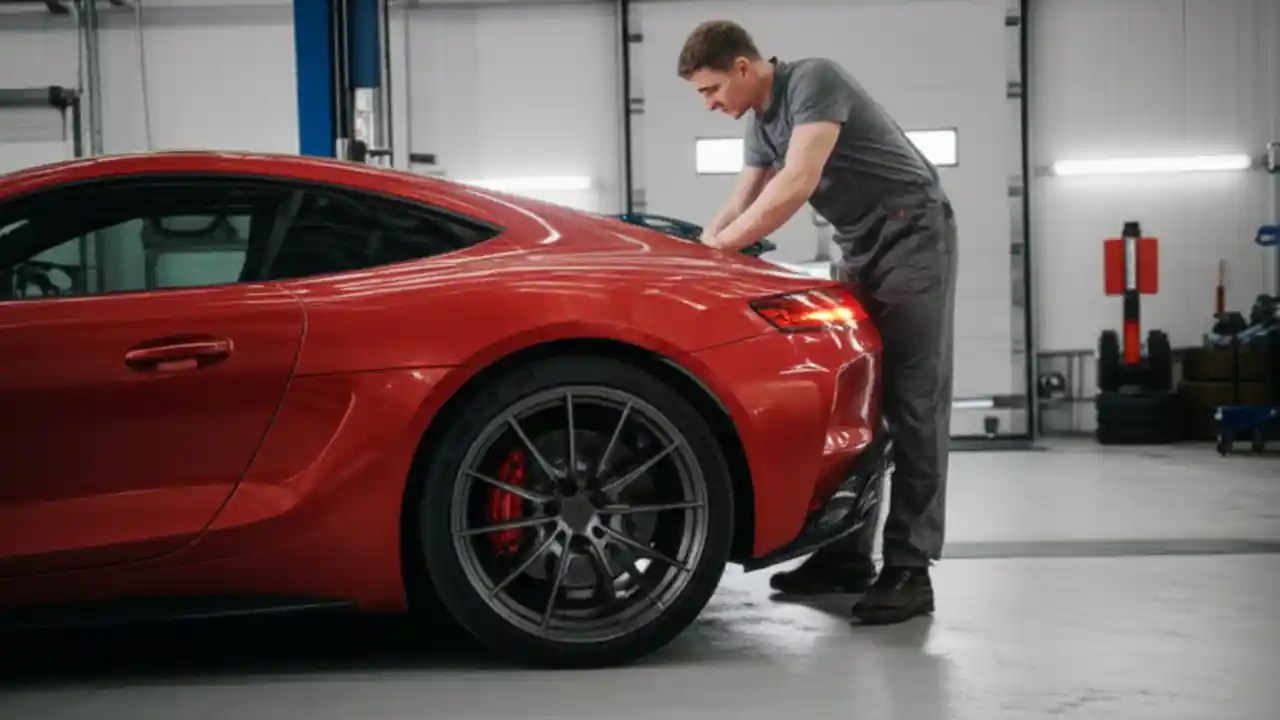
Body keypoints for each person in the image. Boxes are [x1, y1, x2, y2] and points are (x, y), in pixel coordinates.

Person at [677, 20, 957, 626]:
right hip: (858, 245)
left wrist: (724, 250)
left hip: (912, 235)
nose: (710, 104)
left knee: (912, 402)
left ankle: (910, 570)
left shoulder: (814, 81)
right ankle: (844, 556)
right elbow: (744, 198)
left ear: (745, 68)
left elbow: (797, 183)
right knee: (856, 401)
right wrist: (700, 252)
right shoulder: (759, 122)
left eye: (712, 89)